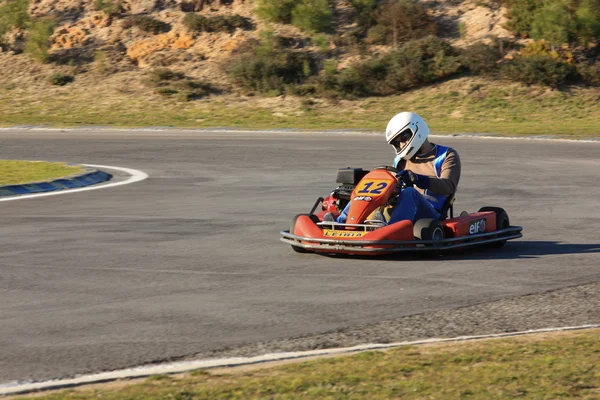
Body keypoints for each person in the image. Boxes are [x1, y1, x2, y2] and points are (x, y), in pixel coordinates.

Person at [335, 112, 461, 224]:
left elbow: (448, 186)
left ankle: (392, 229)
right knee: (367, 190)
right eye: (397, 142)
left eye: (404, 138)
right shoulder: (400, 161)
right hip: (403, 209)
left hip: (430, 213)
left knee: (410, 192)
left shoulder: (446, 155)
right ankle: (341, 223)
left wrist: (419, 179)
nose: (402, 144)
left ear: (417, 129)